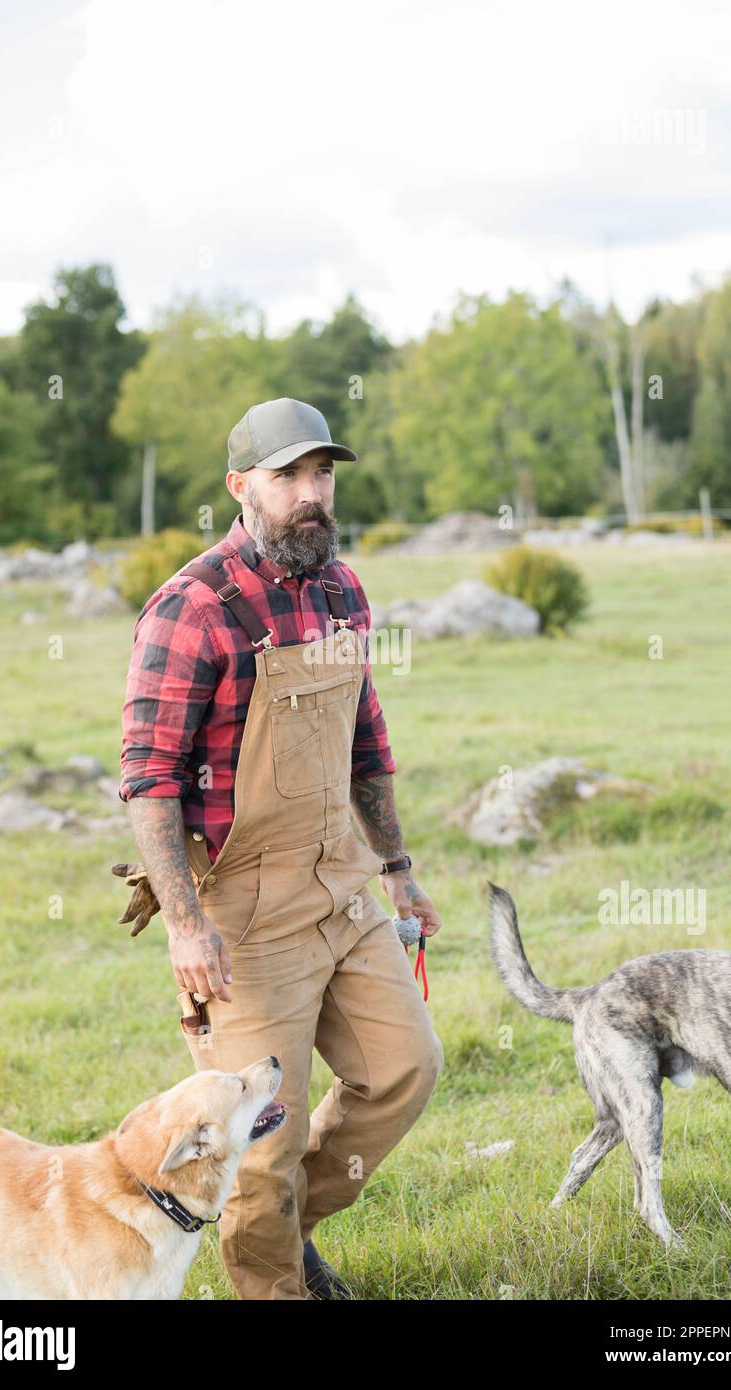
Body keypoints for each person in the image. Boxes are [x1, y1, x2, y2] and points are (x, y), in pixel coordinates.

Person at [118, 397, 444, 1300]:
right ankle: (273, 1279)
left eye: (323, 474)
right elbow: (149, 779)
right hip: (246, 914)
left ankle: (281, 1226)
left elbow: (366, 743)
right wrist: (186, 926)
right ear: (240, 487)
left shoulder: (343, 589)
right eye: (288, 476)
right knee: (259, 1148)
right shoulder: (192, 608)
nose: (311, 494)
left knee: (404, 1070)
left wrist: (400, 870)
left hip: (343, 890)